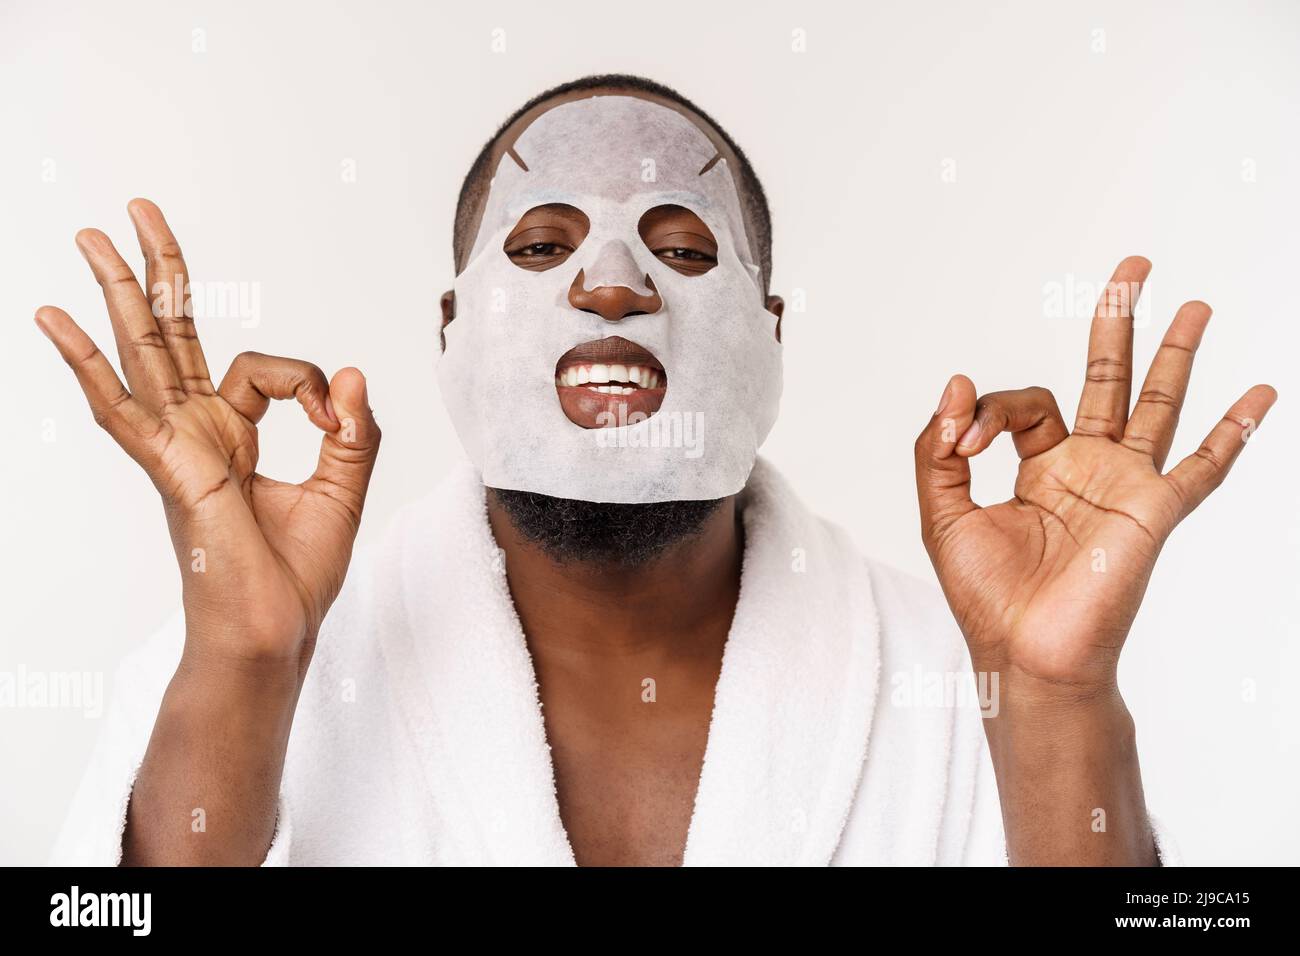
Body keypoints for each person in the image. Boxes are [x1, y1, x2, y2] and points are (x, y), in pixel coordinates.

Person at [42, 74, 1274, 866]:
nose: (615, 280)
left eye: (683, 247)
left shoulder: (959, 685)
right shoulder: (242, 661)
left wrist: (1054, 696)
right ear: (447, 328)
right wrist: (245, 669)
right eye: (541, 242)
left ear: (773, 333)